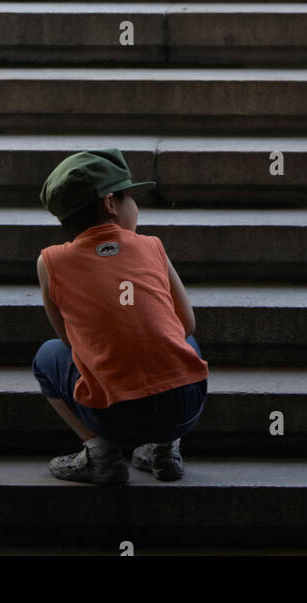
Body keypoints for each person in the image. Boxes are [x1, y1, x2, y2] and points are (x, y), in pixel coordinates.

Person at [31, 148, 209, 485]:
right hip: (184, 407)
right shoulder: (152, 246)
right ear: (110, 204)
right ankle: (164, 448)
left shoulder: (50, 262)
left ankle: (102, 454)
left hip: (113, 418)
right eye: (131, 198)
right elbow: (187, 324)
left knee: (47, 356)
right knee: (182, 339)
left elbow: (71, 342)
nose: (136, 207)